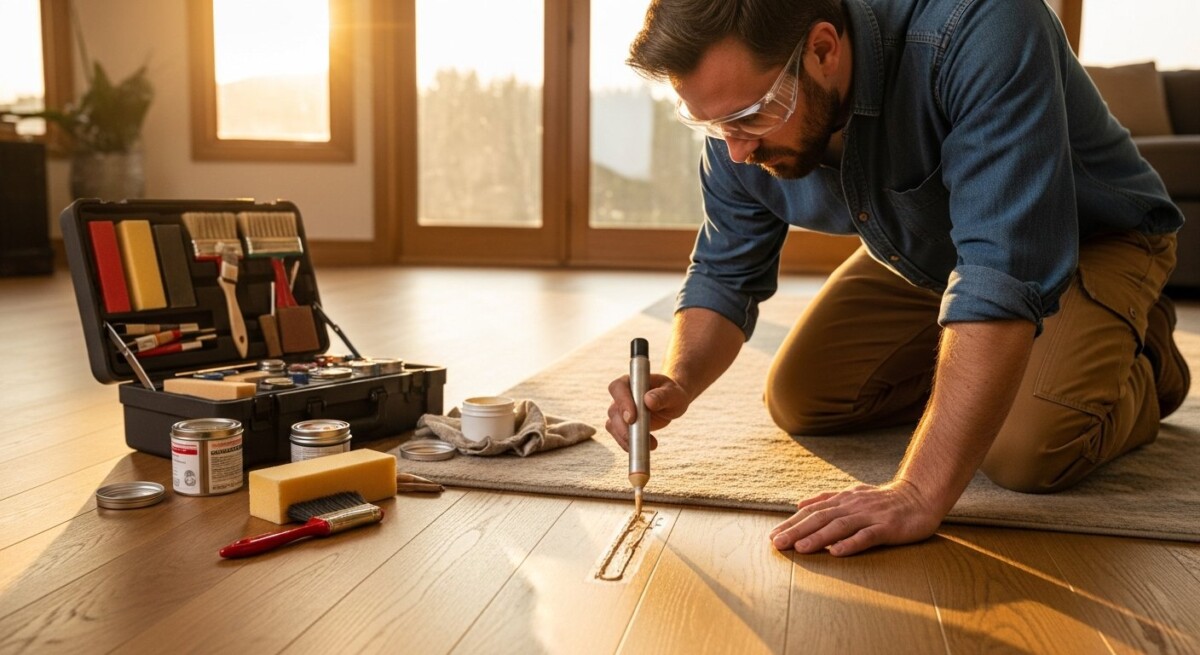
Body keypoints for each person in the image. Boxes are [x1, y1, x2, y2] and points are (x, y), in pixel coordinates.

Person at [605, 0, 1188, 557]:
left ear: (823, 49)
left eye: (749, 116)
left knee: (1025, 452)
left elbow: (1001, 271)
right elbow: (725, 271)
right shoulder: (736, 126)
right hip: (932, 250)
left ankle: (1145, 357)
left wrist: (916, 492)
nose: (735, 150)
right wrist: (678, 381)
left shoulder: (980, 25)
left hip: (1094, 238)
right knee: (804, 398)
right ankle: (1000, 375)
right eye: (710, 125)